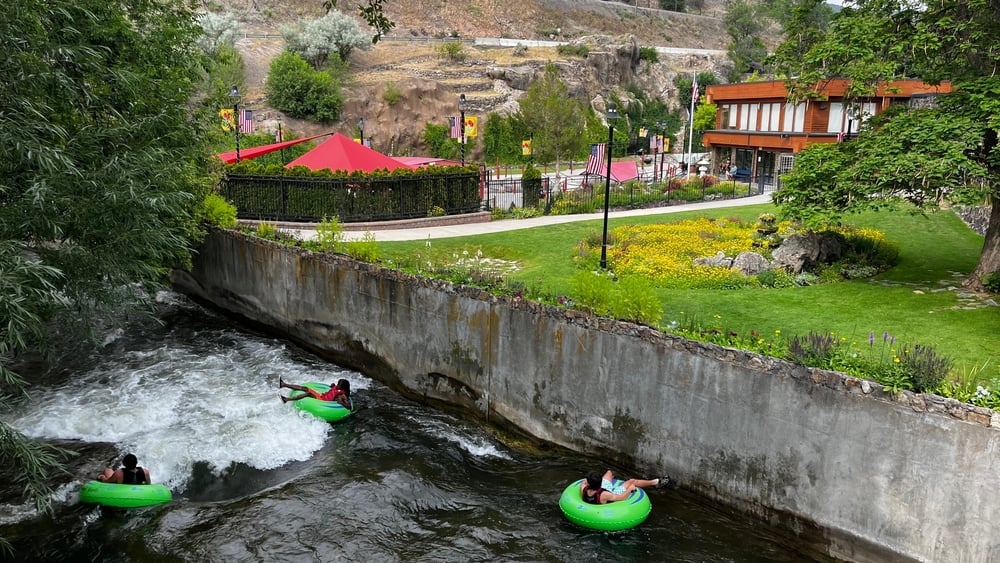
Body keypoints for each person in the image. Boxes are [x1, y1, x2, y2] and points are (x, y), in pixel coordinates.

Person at [580, 469, 670, 504]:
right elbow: (621, 498)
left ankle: (612, 478)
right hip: (610, 493)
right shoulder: (605, 495)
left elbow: (583, 483)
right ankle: (656, 482)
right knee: (632, 481)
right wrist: (630, 489)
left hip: (598, 489)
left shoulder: (583, 489)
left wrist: (588, 482)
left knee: (609, 472)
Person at [279, 377, 351, 408]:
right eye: (337, 384)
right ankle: (284, 384)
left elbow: (349, 406)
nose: (337, 386)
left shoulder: (342, 395)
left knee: (308, 393)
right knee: (305, 388)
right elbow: (333, 390)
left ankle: (286, 399)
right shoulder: (337, 388)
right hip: (321, 396)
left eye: (339, 385)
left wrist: (341, 402)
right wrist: (333, 386)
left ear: (343, 387)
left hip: (323, 400)